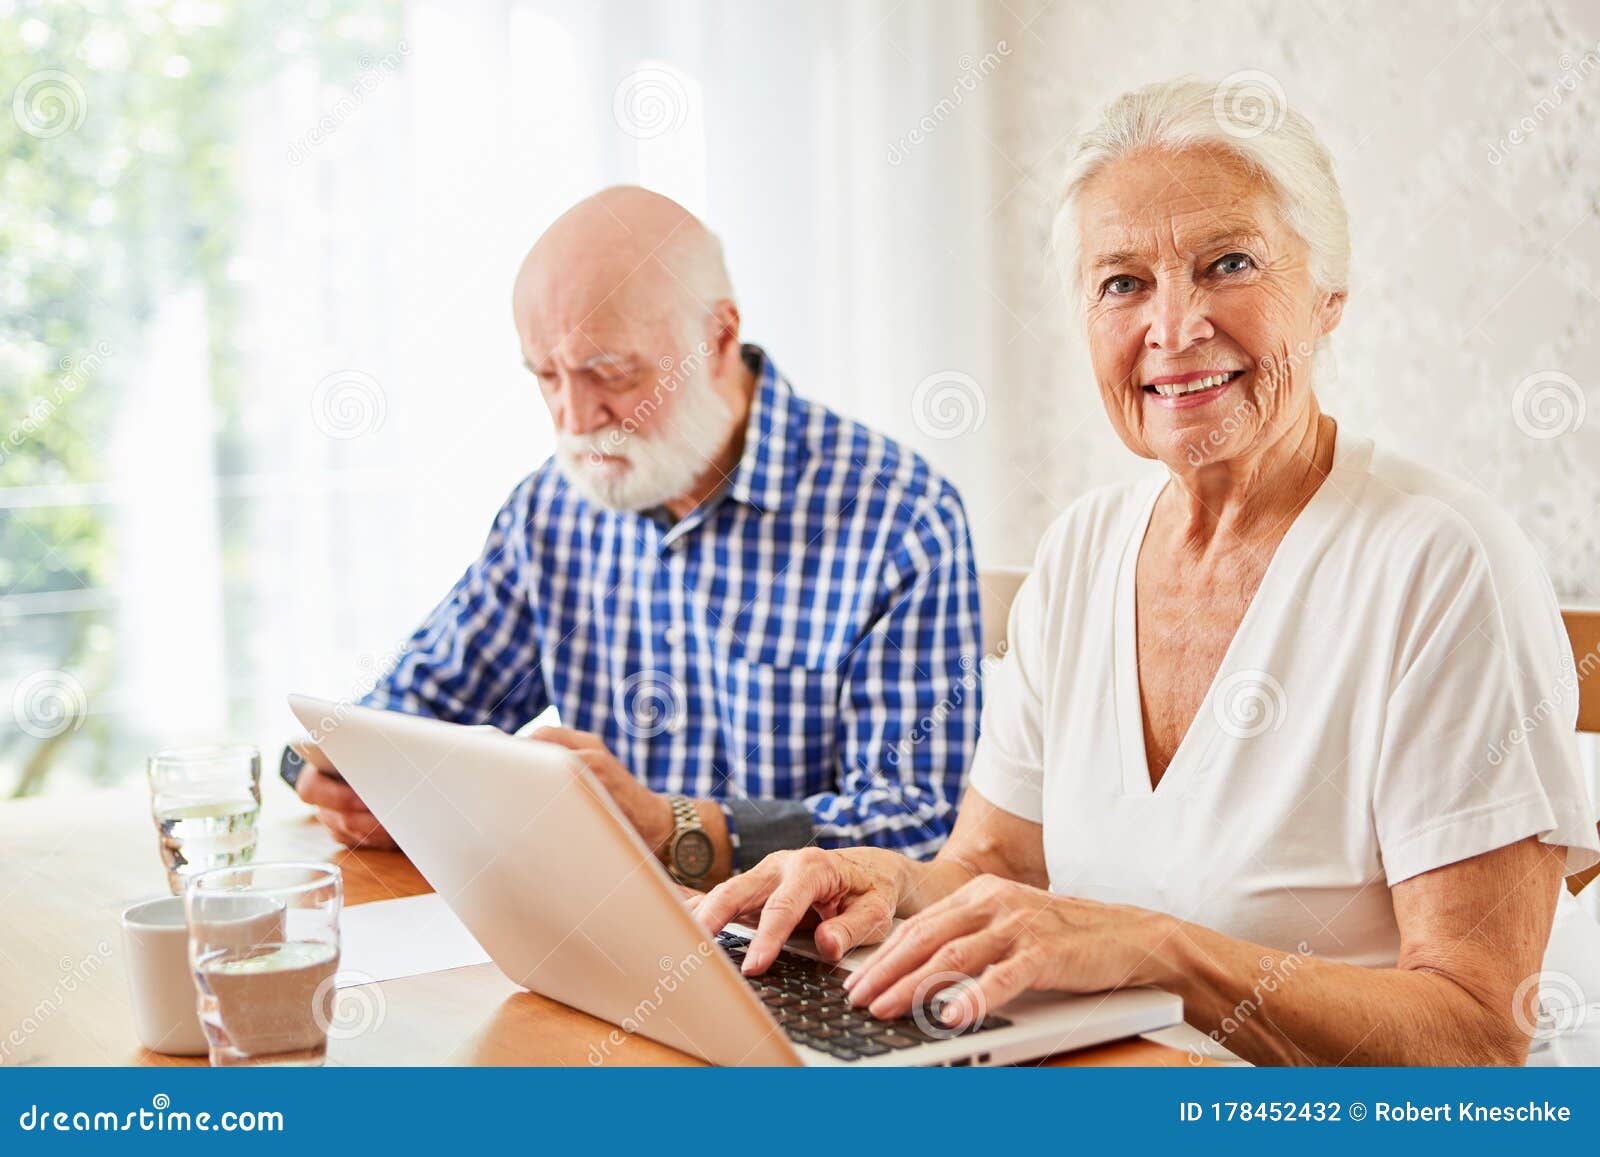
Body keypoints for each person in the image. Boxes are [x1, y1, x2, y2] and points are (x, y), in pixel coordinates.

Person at [693, 79, 1600, 1066]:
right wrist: (886, 882)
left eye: (1229, 264)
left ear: (1328, 294)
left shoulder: (1440, 562)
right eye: (1122, 282)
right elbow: (992, 864)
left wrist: (1155, 951)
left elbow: (1475, 1032)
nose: (1173, 327)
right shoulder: (1082, 549)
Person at [283, 187, 982, 890]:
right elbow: (408, 718)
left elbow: (918, 824)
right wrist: (346, 780)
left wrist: (670, 826)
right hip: (595, 932)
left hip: (808, 956)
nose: (576, 415)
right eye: (546, 376)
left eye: (610, 374)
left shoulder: (898, 518)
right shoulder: (553, 509)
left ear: (718, 338)